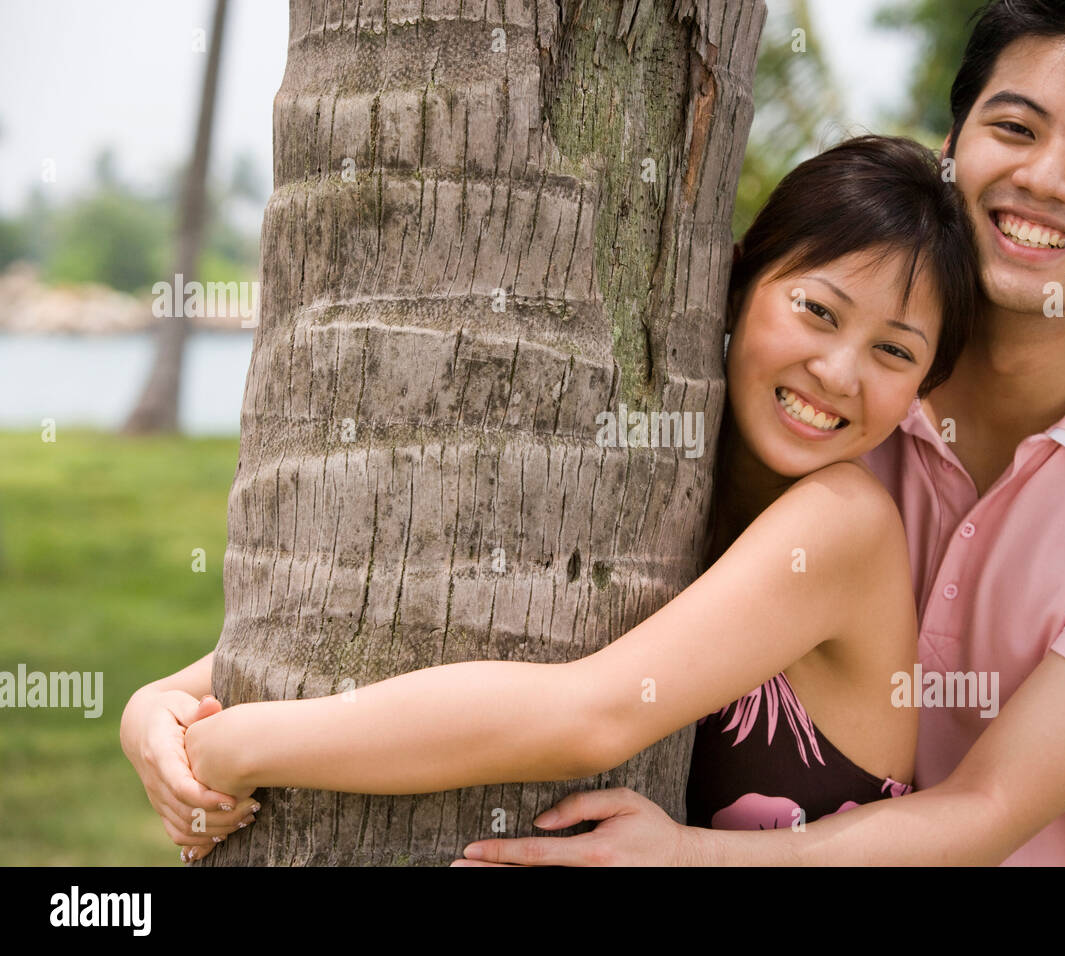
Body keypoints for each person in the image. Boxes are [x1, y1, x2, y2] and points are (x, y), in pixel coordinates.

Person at [453, 0, 1065, 867]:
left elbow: (988, 805)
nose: (1046, 178)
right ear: (952, 146)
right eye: (1015, 128)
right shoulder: (838, 373)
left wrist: (687, 857)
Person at [120, 134, 983, 861]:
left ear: (924, 390)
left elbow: (593, 719)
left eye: (895, 354)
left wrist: (240, 745)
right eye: (818, 312)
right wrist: (155, 708)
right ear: (735, 284)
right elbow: (431, 616)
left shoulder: (845, 524)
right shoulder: (656, 485)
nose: (838, 374)